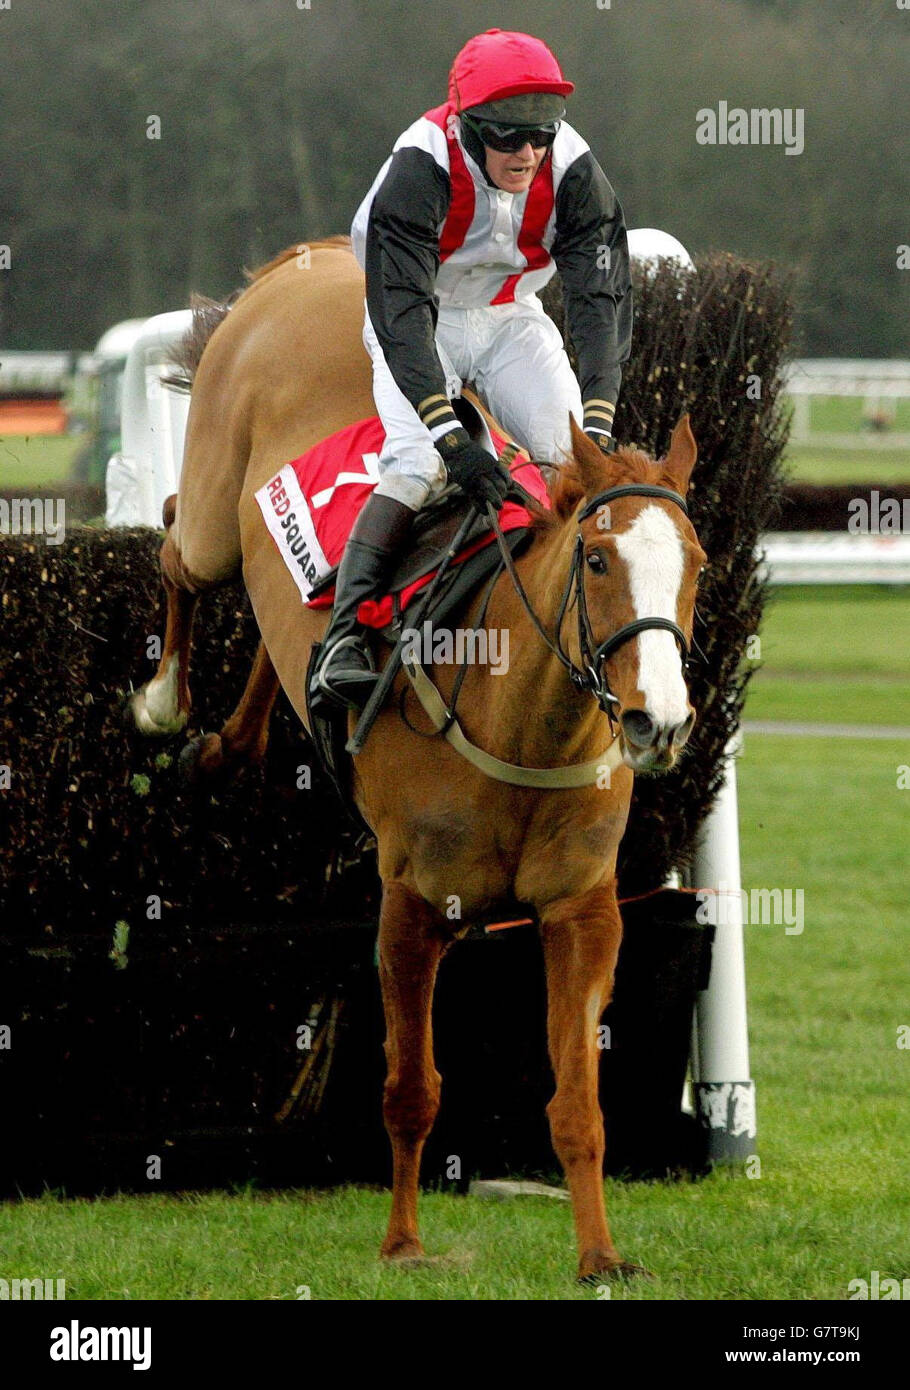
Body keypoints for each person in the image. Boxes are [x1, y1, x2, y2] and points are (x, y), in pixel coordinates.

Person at [311, 27, 632, 709]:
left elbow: (600, 304)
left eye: (540, 136)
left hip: (512, 316)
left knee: (576, 461)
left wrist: (596, 427)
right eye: (507, 136)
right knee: (418, 466)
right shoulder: (418, 169)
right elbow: (399, 316)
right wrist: (454, 443)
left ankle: (588, 637)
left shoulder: (574, 173)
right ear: (465, 126)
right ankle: (341, 637)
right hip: (416, 318)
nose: (527, 153)